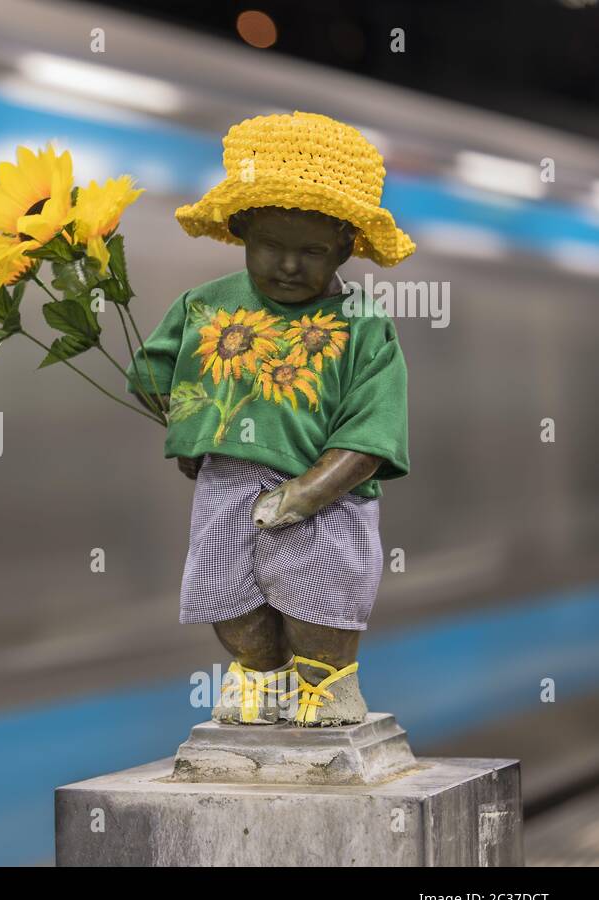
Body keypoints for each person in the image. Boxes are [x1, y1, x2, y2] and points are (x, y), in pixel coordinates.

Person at [126, 112, 414, 726]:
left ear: (344, 245)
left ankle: (327, 689)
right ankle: (260, 680)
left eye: (310, 251)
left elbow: (371, 428)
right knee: (230, 595)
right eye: (271, 246)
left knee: (320, 595)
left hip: (324, 495)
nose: (288, 266)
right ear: (242, 231)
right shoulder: (204, 305)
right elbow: (154, 372)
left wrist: (310, 491)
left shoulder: (362, 324)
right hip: (226, 489)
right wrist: (194, 428)